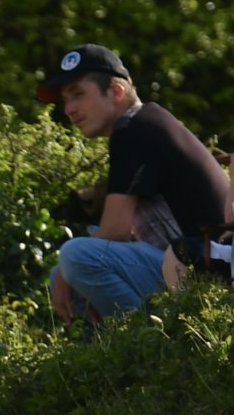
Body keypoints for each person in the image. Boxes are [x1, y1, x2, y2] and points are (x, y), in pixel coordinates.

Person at [40, 43, 232, 320]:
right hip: (195, 264)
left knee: (74, 257)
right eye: (65, 99)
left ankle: (150, 340)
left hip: (208, 272)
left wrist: (65, 273)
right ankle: (109, 350)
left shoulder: (133, 129)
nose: (68, 109)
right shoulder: (147, 122)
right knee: (67, 267)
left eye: (78, 95)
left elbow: (115, 230)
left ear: (116, 91)